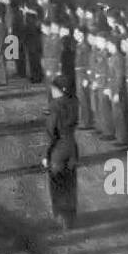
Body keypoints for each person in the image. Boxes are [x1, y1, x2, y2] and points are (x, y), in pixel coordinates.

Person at [43, 78, 79, 228]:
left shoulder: (54, 106)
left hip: (58, 148)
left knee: (57, 183)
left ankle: (60, 216)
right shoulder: (74, 103)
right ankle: (70, 217)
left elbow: (51, 133)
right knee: (70, 183)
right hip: (72, 146)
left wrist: (46, 155)